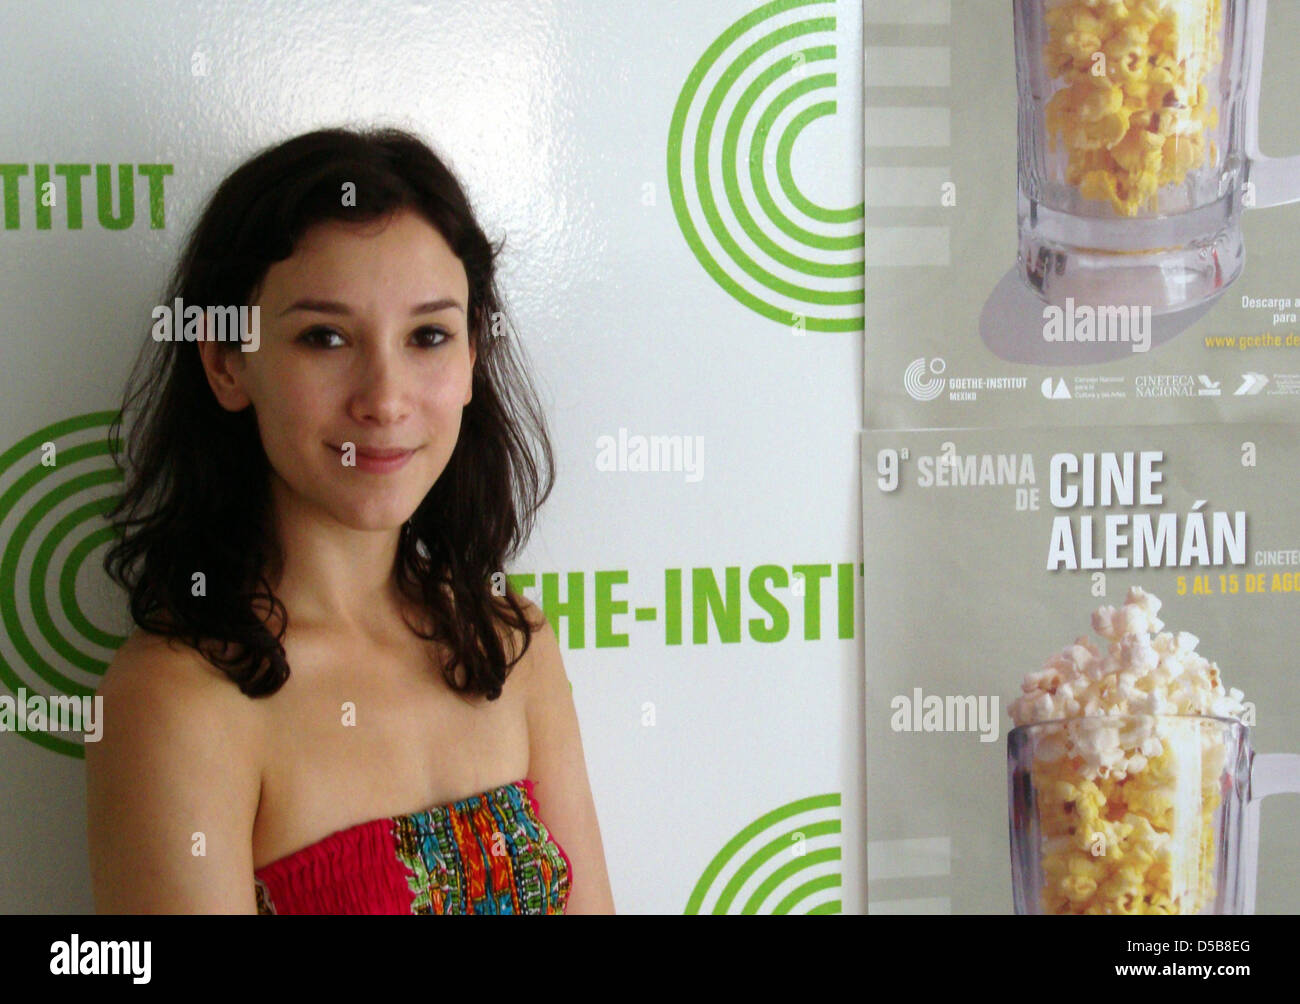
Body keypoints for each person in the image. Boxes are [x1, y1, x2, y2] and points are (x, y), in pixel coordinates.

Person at [85, 126, 615, 914]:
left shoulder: (511, 640)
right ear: (227, 363)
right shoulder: (177, 697)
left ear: (472, 357)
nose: (386, 397)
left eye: (428, 336)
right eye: (325, 337)